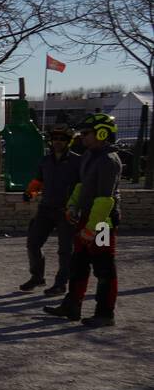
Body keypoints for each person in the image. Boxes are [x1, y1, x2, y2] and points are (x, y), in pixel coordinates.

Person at [44, 114, 123, 327]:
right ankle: (72, 305)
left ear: (102, 133)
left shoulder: (109, 161)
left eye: (86, 133)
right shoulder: (90, 155)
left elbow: (105, 200)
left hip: (103, 222)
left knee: (104, 267)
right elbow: (82, 186)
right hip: (87, 217)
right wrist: (73, 205)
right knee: (78, 263)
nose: (82, 136)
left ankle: (105, 313)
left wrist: (92, 229)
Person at [20, 124, 81, 295]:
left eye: (62, 139)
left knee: (65, 249)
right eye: (55, 139)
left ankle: (61, 283)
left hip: (66, 210)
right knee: (33, 243)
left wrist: (77, 207)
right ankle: (37, 277)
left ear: (69, 142)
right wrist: (30, 193)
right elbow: (38, 181)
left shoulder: (78, 161)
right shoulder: (45, 160)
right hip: (46, 208)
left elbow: (84, 186)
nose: (57, 142)